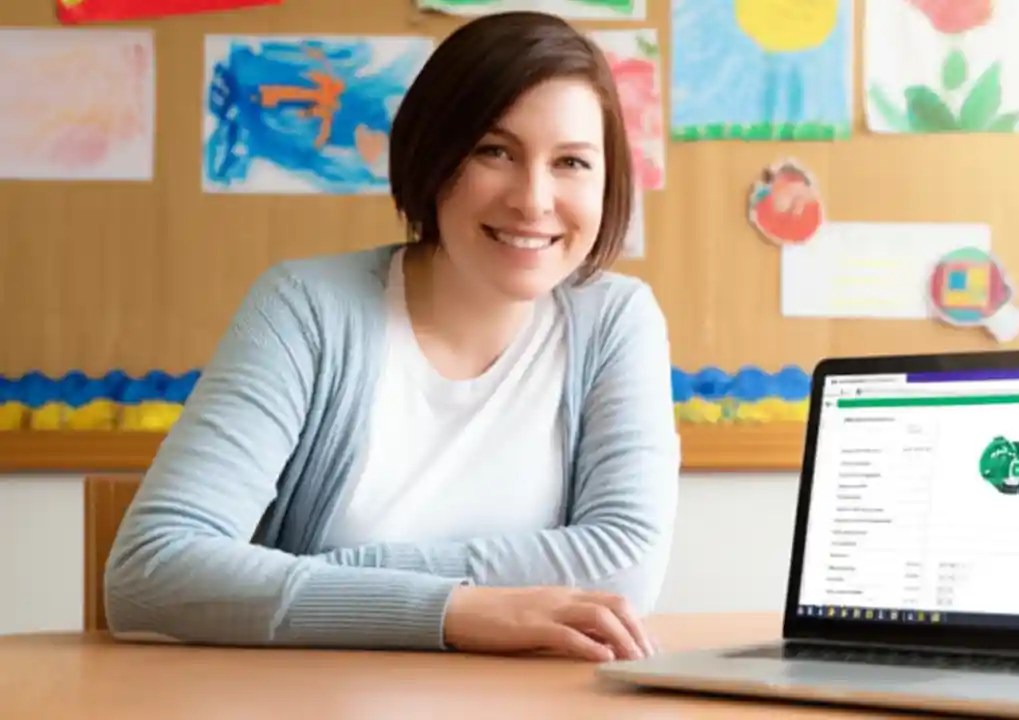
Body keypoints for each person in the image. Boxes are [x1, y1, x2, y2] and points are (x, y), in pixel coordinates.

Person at [104, 11, 679, 664]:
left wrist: (311, 575)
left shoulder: (616, 321)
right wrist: (457, 610)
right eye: (495, 151)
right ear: (433, 157)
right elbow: (149, 572)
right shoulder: (306, 308)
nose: (533, 198)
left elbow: (624, 567)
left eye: (572, 162)